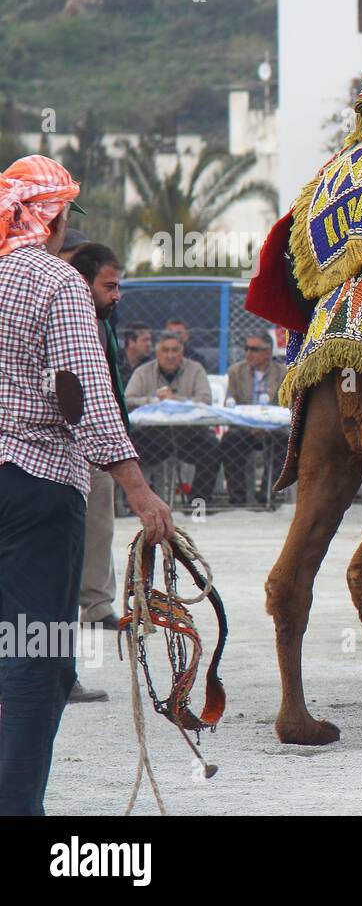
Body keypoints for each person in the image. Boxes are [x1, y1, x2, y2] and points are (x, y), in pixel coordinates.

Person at [0, 155, 174, 816]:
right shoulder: (54, 282)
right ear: (55, 215)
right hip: (37, 489)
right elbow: (81, 398)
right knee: (35, 658)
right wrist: (139, 490)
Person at [66, 245, 130, 672]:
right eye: (109, 286)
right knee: (62, 537)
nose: (117, 294)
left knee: (100, 525)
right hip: (62, 445)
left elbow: (111, 385)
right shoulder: (67, 318)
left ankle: (97, 604)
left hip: (101, 441)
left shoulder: (104, 322)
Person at [124, 333, 220, 505]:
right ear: (157, 352)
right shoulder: (143, 371)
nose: (170, 355)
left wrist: (176, 401)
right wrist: (154, 401)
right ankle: (143, 501)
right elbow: (128, 399)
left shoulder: (195, 369)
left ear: (182, 352)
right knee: (128, 449)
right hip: (152, 436)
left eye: (175, 350)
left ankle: (198, 502)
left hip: (189, 435)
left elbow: (205, 400)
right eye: (165, 350)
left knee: (213, 447)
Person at [219, 333, 288, 506]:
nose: (248, 353)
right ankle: (238, 499)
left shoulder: (283, 373)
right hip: (244, 429)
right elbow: (230, 405)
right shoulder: (236, 371)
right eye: (246, 348)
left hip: (273, 428)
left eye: (254, 349)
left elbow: (288, 407)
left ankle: (267, 496)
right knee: (230, 441)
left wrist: (266, 425)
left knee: (282, 441)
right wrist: (251, 426)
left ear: (268, 352)